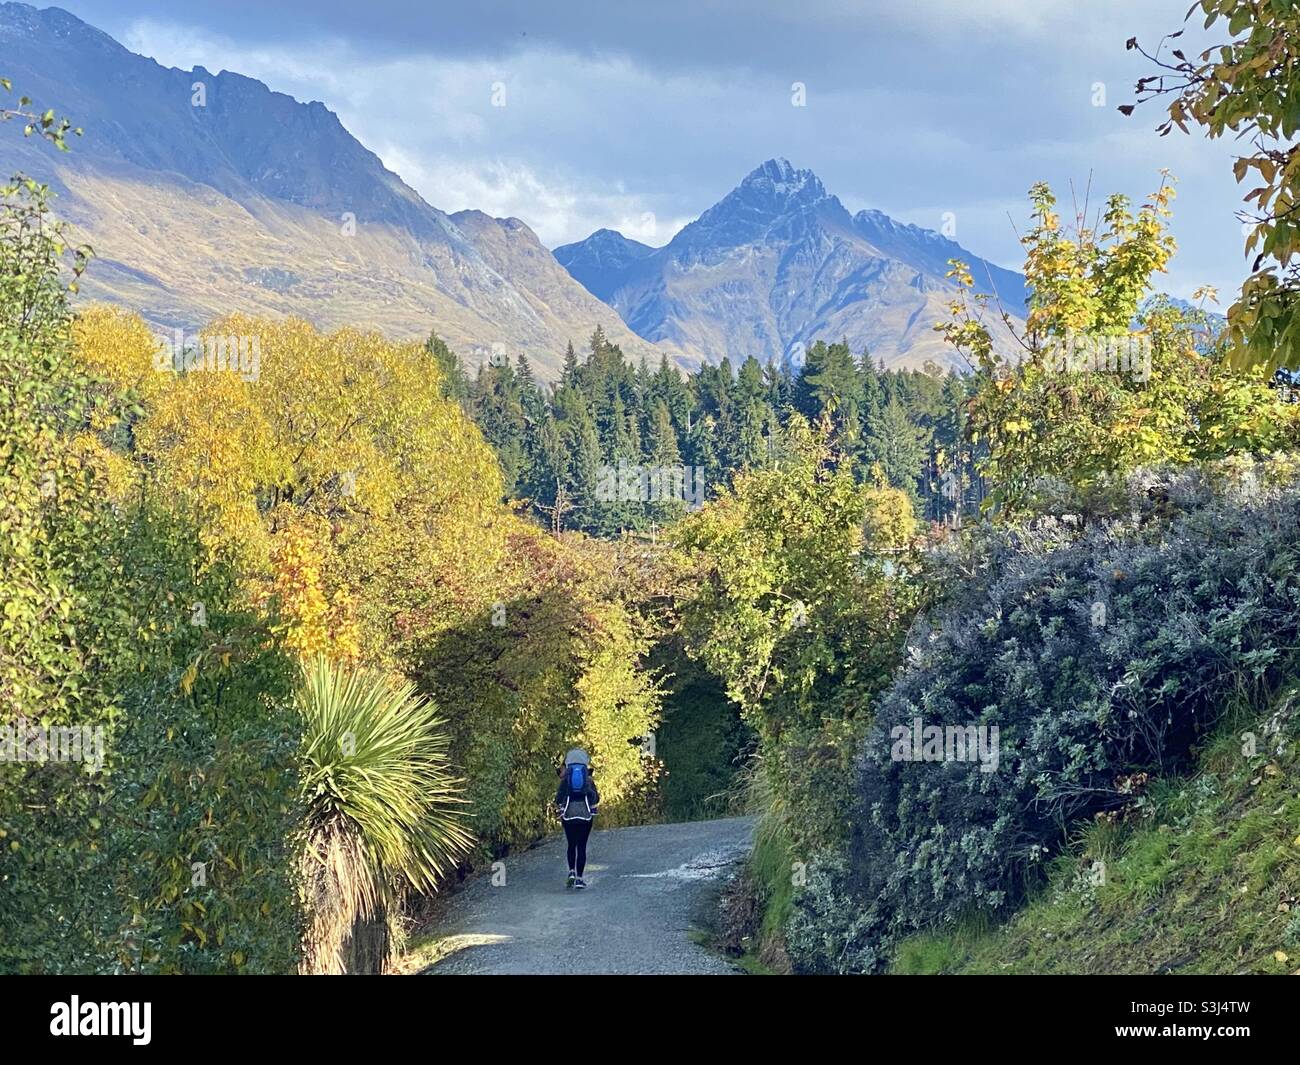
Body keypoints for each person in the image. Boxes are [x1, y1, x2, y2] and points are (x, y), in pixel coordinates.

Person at [555, 748, 599, 889]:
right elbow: (596, 799)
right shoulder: (587, 778)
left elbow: (558, 799)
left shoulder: (566, 779)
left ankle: (571, 872)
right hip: (585, 817)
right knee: (582, 847)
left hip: (568, 816)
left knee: (571, 844)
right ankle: (579, 879)